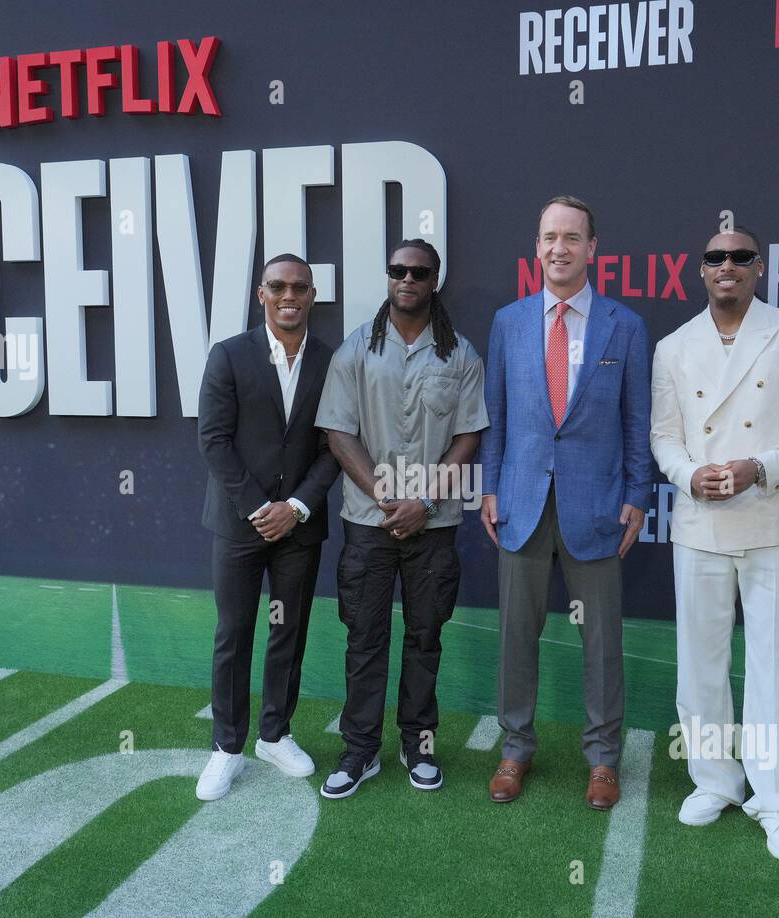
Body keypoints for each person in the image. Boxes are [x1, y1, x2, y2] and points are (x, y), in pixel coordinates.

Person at [650, 225, 779, 862]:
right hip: (700, 522)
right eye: (715, 258)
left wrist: (760, 466)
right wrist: (685, 474)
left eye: (740, 257)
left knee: (777, 665)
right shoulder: (673, 347)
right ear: (700, 270)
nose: (727, 266)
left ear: (759, 267)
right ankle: (714, 780)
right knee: (700, 663)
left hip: (775, 518)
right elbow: (664, 437)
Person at [480, 195, 651, 810]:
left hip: (598, 506)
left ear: (592, 248)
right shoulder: (509, 321)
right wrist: (491, 487)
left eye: (572, 238)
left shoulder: (623, 326)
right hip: (522, 504)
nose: (560, 248)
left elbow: (638, 422)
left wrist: (637, 495)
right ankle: (515, 748)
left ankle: (604, 760)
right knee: (516, 636)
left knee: (601, 642)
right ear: (537, 246)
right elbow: (495, 418)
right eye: (550, 236)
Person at [314, 239, 488, 798]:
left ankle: (420, 746)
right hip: (370, 523)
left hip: (433, 526)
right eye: (398, 270)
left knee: (424, 637)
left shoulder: (460, 354)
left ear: (435, 280)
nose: (407, 279)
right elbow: (338, 433)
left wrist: (425, 502)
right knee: (365, 638)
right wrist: (390, 497)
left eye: (419, 272)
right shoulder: (354, 351)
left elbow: (468, 436)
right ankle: (359, 751)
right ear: (387, 277)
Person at [195, 254, 340, 800]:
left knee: (289, 632)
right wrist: (262, 507)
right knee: (234, 634)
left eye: (299, 287)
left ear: (312, 294)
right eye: (278, 286)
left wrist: (296, 506)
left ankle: (274, 734)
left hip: (299, 528)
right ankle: (227, 746)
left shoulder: (332, 361)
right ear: (261, 294)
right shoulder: (229, 356)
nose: (289, 295)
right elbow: (213, 439)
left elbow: (336, 446)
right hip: (239, 525)